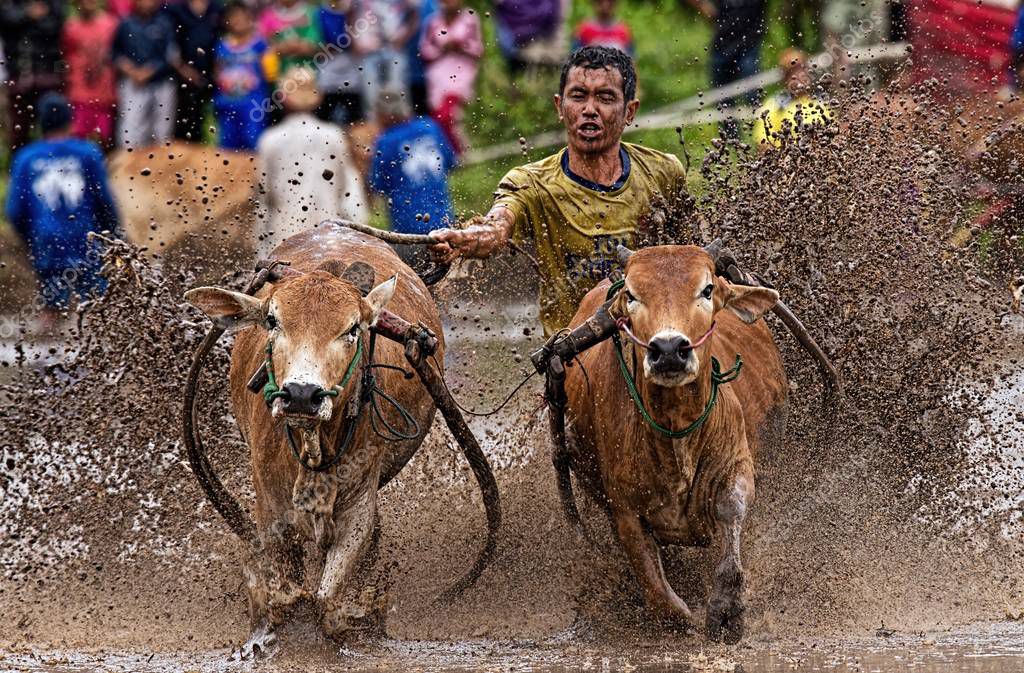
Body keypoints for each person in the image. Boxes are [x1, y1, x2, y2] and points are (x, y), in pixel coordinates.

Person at [430, 46, 688, 336]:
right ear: (560, 107)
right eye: (578, 96)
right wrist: (468, 239)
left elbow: (693, 260)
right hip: (574, 354)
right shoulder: (531, 183)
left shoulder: (663, 173)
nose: (589, 110)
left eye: (605, 97)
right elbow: (497, 226)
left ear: (630, 111)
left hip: (651, 344)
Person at [5, 93, 119, 331]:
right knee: (95, 312)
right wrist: (114, 236)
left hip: (46, 241)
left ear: (40, 124)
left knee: (50, 310)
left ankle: (38, 358)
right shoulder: (88, 153)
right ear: (70, 121)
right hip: (88, 242)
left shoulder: (26, 158)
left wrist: (30, 240)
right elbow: (106, 203)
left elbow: (15, 210)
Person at [256, 67, 369, 255]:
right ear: (317, 98)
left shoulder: (270, 140)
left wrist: (260, 252)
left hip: (285, 239)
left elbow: (264, 196)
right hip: (328, 237)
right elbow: (347, 191)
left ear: (283, 99)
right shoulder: (333, 136)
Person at [369, 89, 455, 265]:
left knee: (417, 282)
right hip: (445, 222)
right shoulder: (430, 126)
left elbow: (378, 185)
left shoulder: (386, 141)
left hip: (407, 230)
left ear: (383, 114)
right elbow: (450, 161)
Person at [687, 0, 767, 140]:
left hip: (749, 45)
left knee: (752, 95)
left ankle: (762, 134)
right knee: (721, 97)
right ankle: (732, 141)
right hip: (722, 45)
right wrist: (704, 7)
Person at [110, 0, 180, 148]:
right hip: (133, 82)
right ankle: (129, 167)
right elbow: (115, 53)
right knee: (130, 131)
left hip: (161, 81)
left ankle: (159, 168)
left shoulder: (164, 23)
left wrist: (149, 71)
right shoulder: (126, 24)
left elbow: (171, 55)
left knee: (162, 132)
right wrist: (130, 70)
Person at [0, 0, 65, 153]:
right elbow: (8, 20)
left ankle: (51, 170)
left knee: (52, 130)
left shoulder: (54, 4)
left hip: (48, 79)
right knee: (18, 134)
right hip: (19, 79)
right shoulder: (11, 4)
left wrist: (25, 18)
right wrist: (29, 15)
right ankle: (19, 171)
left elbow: (54, 25)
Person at [418, 0, 482, 156]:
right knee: (439, 117)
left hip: (461, 71)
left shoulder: (470, 19)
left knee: (448, 114)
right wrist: (441, 49)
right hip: (439, 73)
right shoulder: (433, 22)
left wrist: (461, 46)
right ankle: (453, 154)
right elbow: (424, 50)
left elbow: (478, 49)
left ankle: (460, 152)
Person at [213, 1, 271, 150]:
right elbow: (217, 70)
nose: (237, 21)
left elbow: (270, 74)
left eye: (241, 17)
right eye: (232, 17)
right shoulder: (222, 45)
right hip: (227, 102)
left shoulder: (260, 44)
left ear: (249, 19)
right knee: (227, 144)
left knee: (253, 142)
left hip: (253, 104)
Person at [61, 0, 118, 149]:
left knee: (104, 139)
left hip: (105, 94)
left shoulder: (112, 24)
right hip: (80, 94)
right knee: (78, 137)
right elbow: (64, 55)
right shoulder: (70, 28)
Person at [164, 0, 223, 142]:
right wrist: (183, 69)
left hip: (211, 79)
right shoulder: (175, 10)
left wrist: (219, 69)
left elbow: (223, 40)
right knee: (184, 123)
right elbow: (169, 42)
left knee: (209, 123)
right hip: (181, 78)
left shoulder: (217, 9)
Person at [753, 48, 832, 149]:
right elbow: (763, 144)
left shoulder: (821, 101)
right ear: (785, 78)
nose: (799, 75)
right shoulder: (775, 105)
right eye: (793, 71)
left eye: (802, 69)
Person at [317, 0, 367, 125]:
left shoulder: (355, 10)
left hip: (352, 69)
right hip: (329, 69)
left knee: (354, 118)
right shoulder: (320, 13)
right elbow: (325, 41)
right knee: (325, 117)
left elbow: (357, 42)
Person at [361, 0, 418, 106]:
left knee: (397, 90)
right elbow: (351, 14)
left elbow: (414, 13)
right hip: (370, 51)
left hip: (395, 49)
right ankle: (376, 120)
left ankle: (400, 121)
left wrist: (403, 36)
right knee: (371, 94)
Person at [259, 0, 321, 76]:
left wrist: (301, 47)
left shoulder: (312, 12)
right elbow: (265, 49)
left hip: (312, 73)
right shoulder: (268, 16)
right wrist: (280, 48)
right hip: (282, 76)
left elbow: (321, 45)